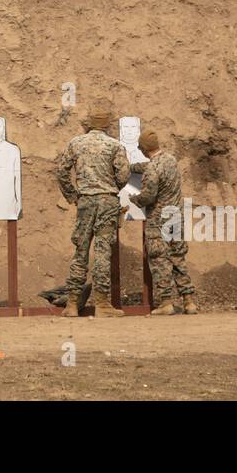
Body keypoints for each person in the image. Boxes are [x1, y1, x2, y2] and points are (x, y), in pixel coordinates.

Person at [55, 102, 129, 318]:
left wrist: (73, 195)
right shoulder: (115, 146)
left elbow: (61, 171)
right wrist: (110, 185)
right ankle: (102, 304)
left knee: (80, 250)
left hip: (85, 200)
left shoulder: (76, 143)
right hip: (107, 201)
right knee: (103, 251)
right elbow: (123, 176)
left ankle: (71, 303)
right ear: (107, 124)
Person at [134, 130, 196, 315]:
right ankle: (189, 302)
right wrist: (133, 167)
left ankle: (166, 303)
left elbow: (148, 196)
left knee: (159, 259)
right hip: (176, 217)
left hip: (159, 220)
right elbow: (151, 166)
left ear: (144, 149)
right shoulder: (170, 160)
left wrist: (135, 199)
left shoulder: (153, 169)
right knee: (178, 258)